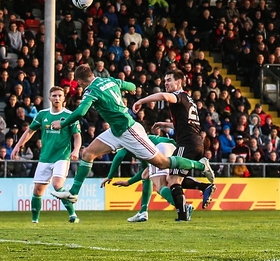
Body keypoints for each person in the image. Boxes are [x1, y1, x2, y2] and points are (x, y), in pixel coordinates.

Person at [51, 65, 214, 204]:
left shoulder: (91, 91)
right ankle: (73, 193)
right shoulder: (109, 80)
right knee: (88, 153)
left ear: (79, 81)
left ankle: (201, 166)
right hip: (116, 130)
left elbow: (81, 112)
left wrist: (62, 123)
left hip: (129, 130)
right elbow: (131, 86)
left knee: (163, 163)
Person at [132, 70, 216, 222]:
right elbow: (187, 124)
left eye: (169, 80)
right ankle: (202, 189)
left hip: (187, 143)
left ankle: (183, 213)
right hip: (196, 142)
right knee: (174, 179)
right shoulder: (188, 100)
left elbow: (164, 96)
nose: (166, 83)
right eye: (165, 80)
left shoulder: (179, 96)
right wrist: (165, 124)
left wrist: (140, 101)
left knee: (172, 180)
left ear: (179, 82)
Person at [11, 86, 82, 224]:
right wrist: (18, 145)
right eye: (54, 95)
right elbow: (29, 131)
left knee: (57, 185)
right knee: (37, 190)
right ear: (49, 98)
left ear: (63, 98)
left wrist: (76, 150)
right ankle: (35, 220)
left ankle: (73, 214)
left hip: (62, 156)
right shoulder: (42, 115)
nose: (57, 98)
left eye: (59, 96)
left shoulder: (69, 116)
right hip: (45, 158)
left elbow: (77, 136)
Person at [105, 134, 179, 222]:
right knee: (147, 175)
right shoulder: (140, 141)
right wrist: (129, 182)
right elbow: (145, 170)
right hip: (174, 148)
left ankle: (182, 207)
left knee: (160, 185)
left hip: (161, 148)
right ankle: (143, 211)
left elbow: (119, 155)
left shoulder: (127, 143)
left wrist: (110, 176)